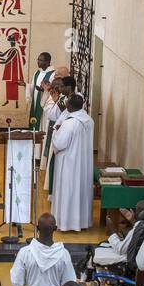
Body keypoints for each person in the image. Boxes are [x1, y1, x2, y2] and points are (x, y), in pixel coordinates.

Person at [49, 93, 94, 232]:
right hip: (83, 163)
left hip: (69, 163)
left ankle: (66, 224)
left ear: (70, 106)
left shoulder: (69, 123)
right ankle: (81, 222)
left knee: (68, 191)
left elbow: (60, 143)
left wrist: (55, 131)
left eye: (67, 103)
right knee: (80, 191)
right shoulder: (89, 120)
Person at [27, 51, 55, 129]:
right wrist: (26, 86)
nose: (38, 62)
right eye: (38, 60)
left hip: (45, 103)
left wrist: (44, 91)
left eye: (41, 60)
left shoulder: (53, 74)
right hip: (36, 102)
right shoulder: (37, 72)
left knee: (42, 122)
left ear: (47, 62)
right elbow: (33, 86)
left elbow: (54, 90)